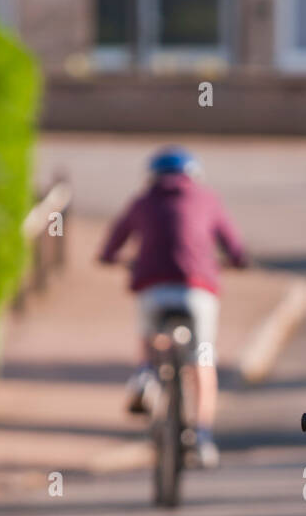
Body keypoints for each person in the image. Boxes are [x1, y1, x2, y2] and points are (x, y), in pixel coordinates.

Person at [97, 145, 249, 468]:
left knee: (148, 336)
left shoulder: (142, 202)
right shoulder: (207, 199)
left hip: (152, 287)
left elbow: (110, 246)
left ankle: (144, 375)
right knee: (203, 359)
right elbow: (235, 248)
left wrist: (114, 259)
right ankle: (203, 437)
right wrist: (235, 261)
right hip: (197, 289)